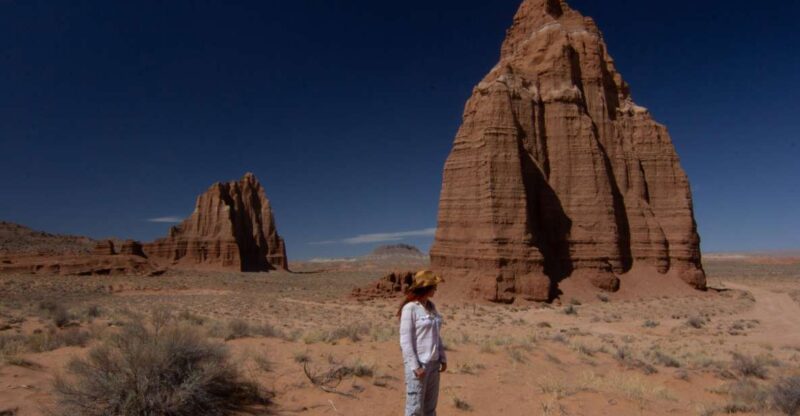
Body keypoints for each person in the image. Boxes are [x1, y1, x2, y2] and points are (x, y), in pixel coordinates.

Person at [398, 270, 446, 416]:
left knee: (430, 409)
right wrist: (415, 366)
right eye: (434, 286)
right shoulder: (410, 308)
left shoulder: (431, 307)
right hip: (419, 365)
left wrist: (442, 357)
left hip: (433, 364)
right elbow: (405, 341)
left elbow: (436, 335)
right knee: (415, 408)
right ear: (426, 287)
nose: (436, 289)